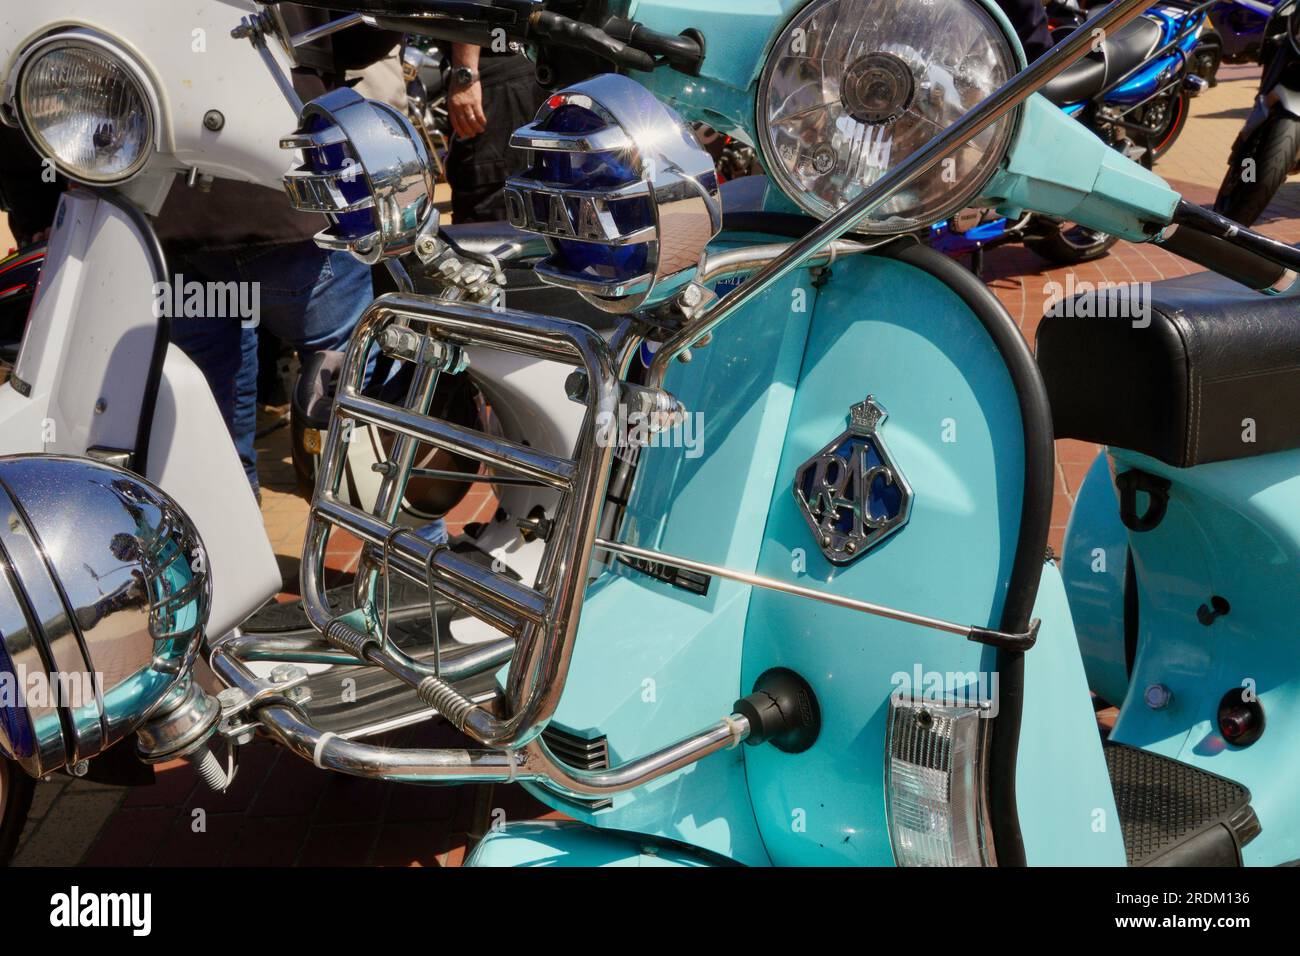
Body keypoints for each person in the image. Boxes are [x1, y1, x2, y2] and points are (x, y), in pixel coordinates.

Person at [445, 42, 548, 224]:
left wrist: (465, 76)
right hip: (519, 70)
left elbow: (474, 15)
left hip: (494, 79)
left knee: (490, 211)